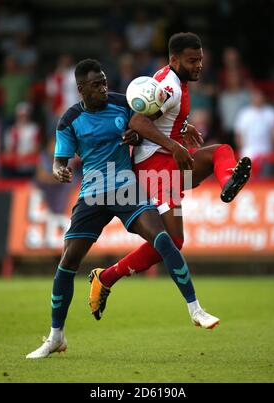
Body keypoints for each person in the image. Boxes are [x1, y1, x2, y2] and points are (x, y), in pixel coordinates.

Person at [26, 58, 219, 359]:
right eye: (96, 84)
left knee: (164, 239)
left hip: (127, 187)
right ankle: (55, 337)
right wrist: (59, 170)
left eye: (104, 81)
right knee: (68, 261)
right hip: (92, 194)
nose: (104, 88)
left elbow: (150, 124)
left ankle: (196, 310)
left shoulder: (123, 102)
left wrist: (139, 135)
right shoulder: (69, 120)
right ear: (81, 89)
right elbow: (59, 161)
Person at [89, 33, 252, 319]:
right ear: (174, 60)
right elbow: (138, 120)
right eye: (192, 61)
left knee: (221, 151)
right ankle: (106, 278)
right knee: (172, 242)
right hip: (154, 167)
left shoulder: (175, 81)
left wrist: (181, 126)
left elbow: (156, 114)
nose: (198, 65)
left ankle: (228, 184)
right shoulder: (169, 86)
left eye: (200, 60)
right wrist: (174, 144)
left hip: (169, 162)